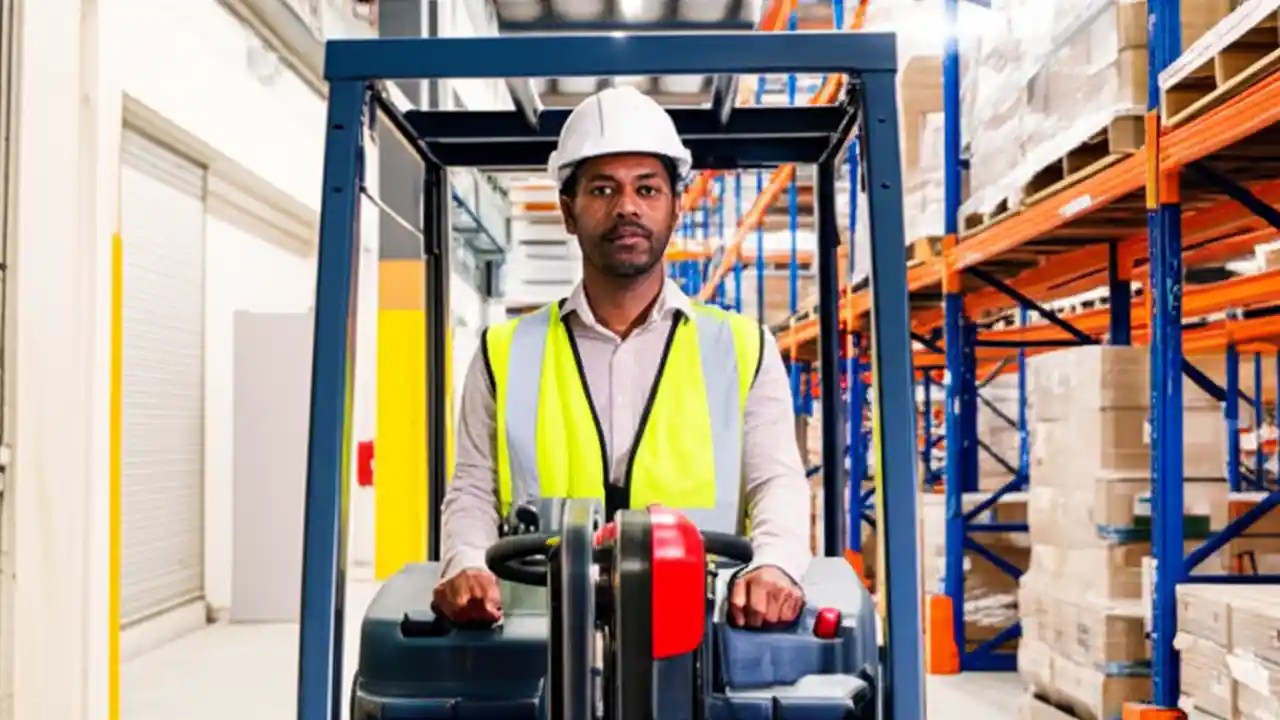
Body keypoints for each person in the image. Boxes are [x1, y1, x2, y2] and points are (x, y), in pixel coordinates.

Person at [434, 85, 813, 629]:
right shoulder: (504, 352)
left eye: (648, 189)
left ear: (676, 207)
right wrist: (467, 565)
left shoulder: (742, 347)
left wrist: (776, 566)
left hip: (695, 640)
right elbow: (473, 488)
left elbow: (775, 481)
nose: (627, 207)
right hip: (542, 639)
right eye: (603, 189)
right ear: (569, 211)